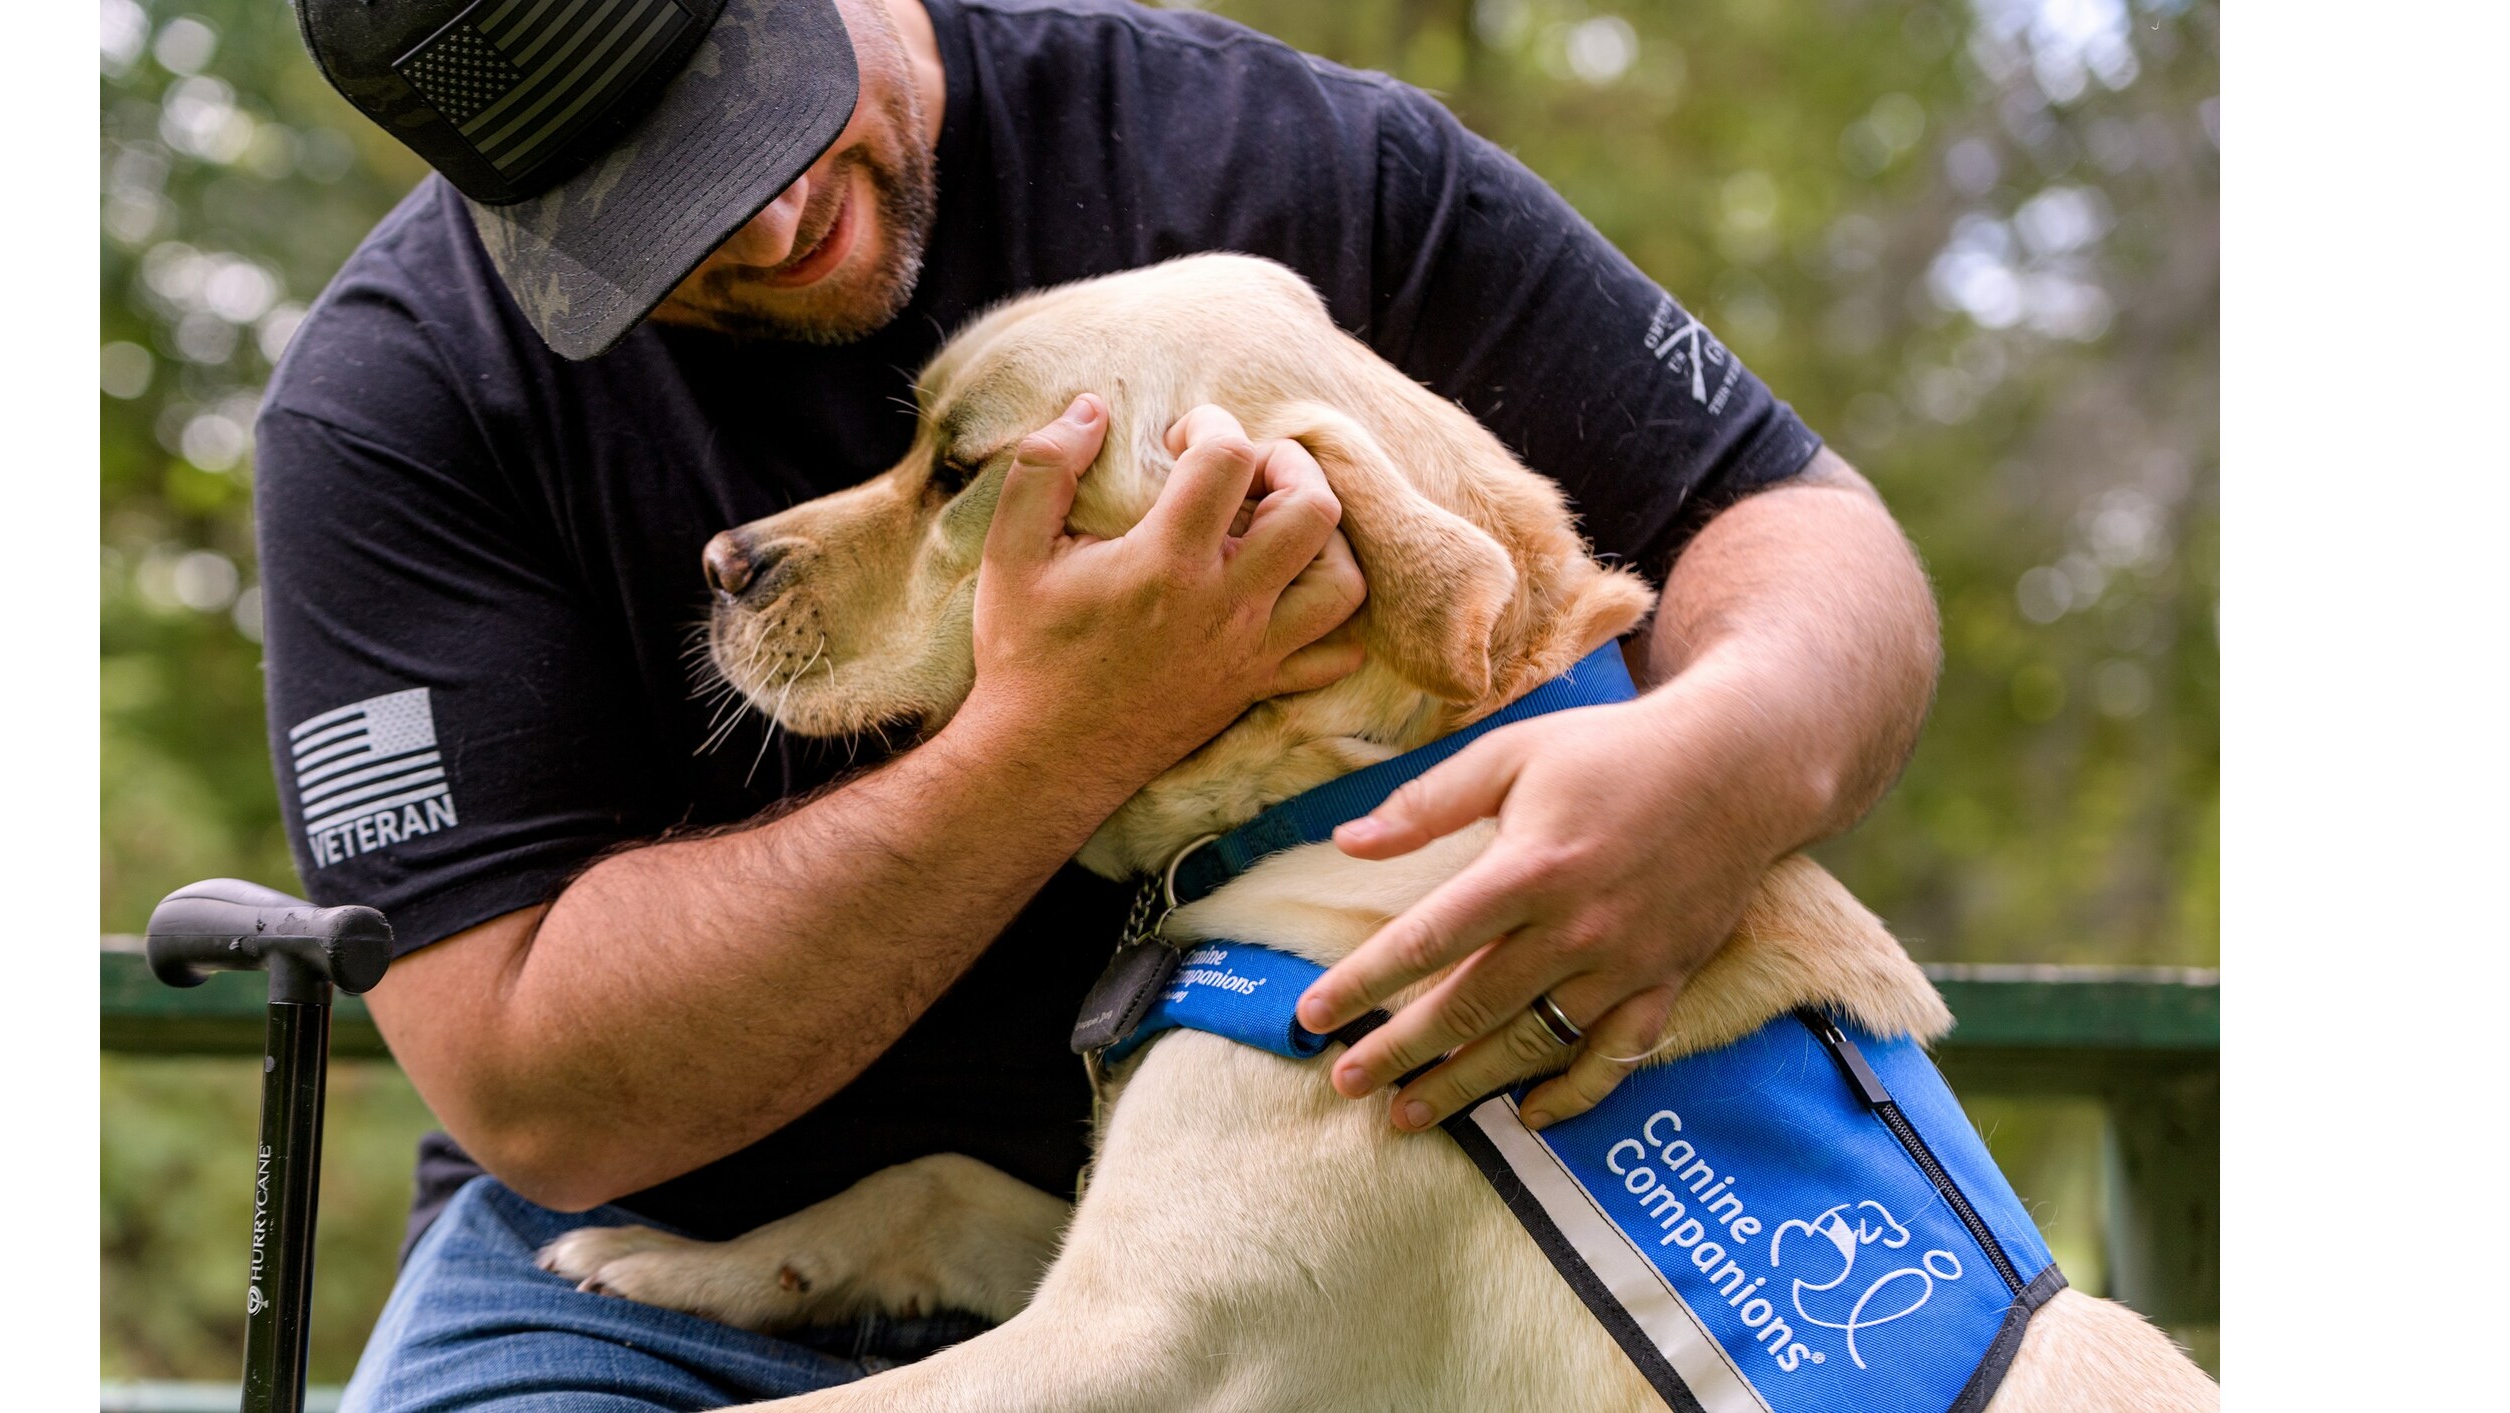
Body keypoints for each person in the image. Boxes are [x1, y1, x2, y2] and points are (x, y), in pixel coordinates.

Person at [259, 0, 1940, 1405]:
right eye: (650, 199)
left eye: (754, 110)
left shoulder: (1292, 157)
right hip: (647, 1271)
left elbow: (1803, 531)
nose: (766, 220)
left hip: (1309, 1242)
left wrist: (1726, 765)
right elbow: (537, 1083)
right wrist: (1060, 738)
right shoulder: (398, 406)